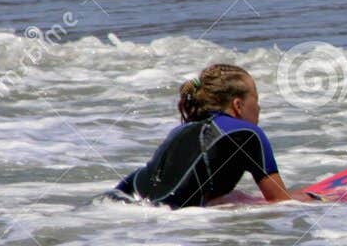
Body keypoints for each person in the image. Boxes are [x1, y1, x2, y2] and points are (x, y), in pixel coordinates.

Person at [110, 64, 317, 207]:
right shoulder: (247, 134)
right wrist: (318, 199)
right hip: (166, 213)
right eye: (256, 98)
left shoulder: (181, 130)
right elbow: (281, 202)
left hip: (121, 201)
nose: (259, 107)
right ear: (238, 105)